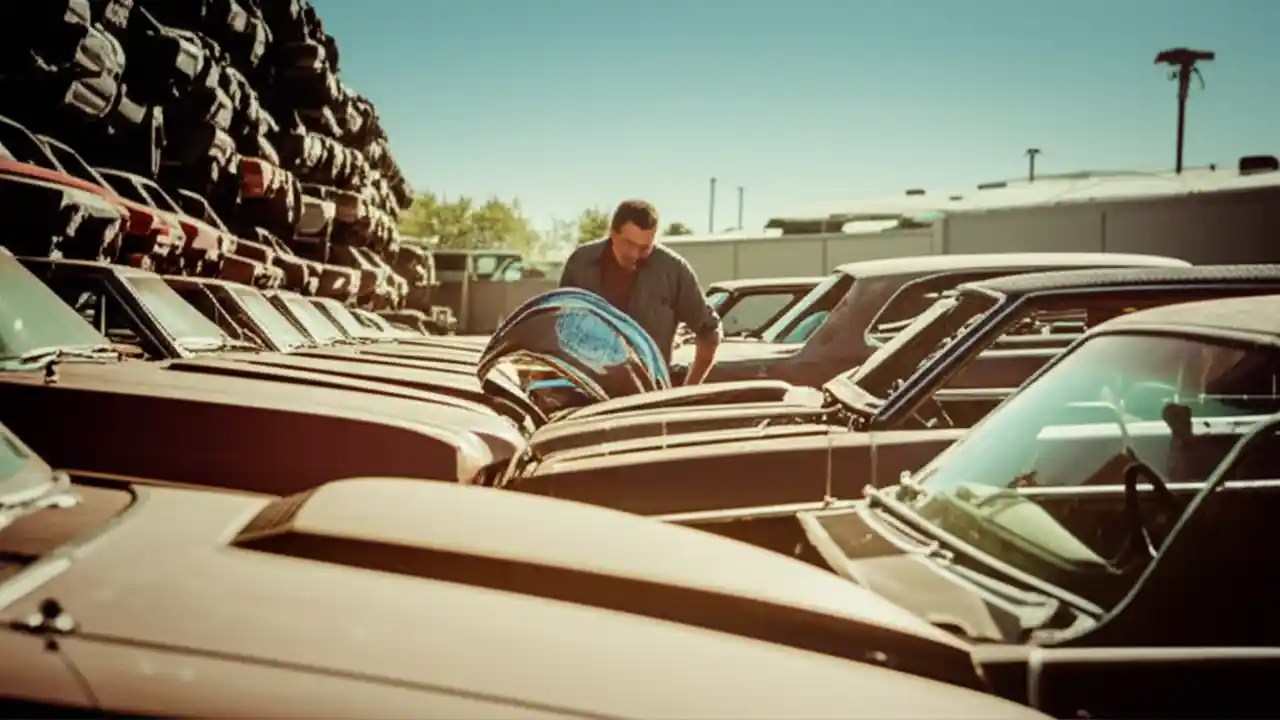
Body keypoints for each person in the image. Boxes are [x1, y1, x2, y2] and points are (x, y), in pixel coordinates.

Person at [559, 199, 721, 384]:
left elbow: (709, 330)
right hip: (584, 390)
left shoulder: (673, 271)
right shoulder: (580, 263)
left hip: (647, 395)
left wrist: (688, 390)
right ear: (613, 233)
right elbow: (557, 323)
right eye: (628, 244)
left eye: (644, 248)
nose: (635, 254)